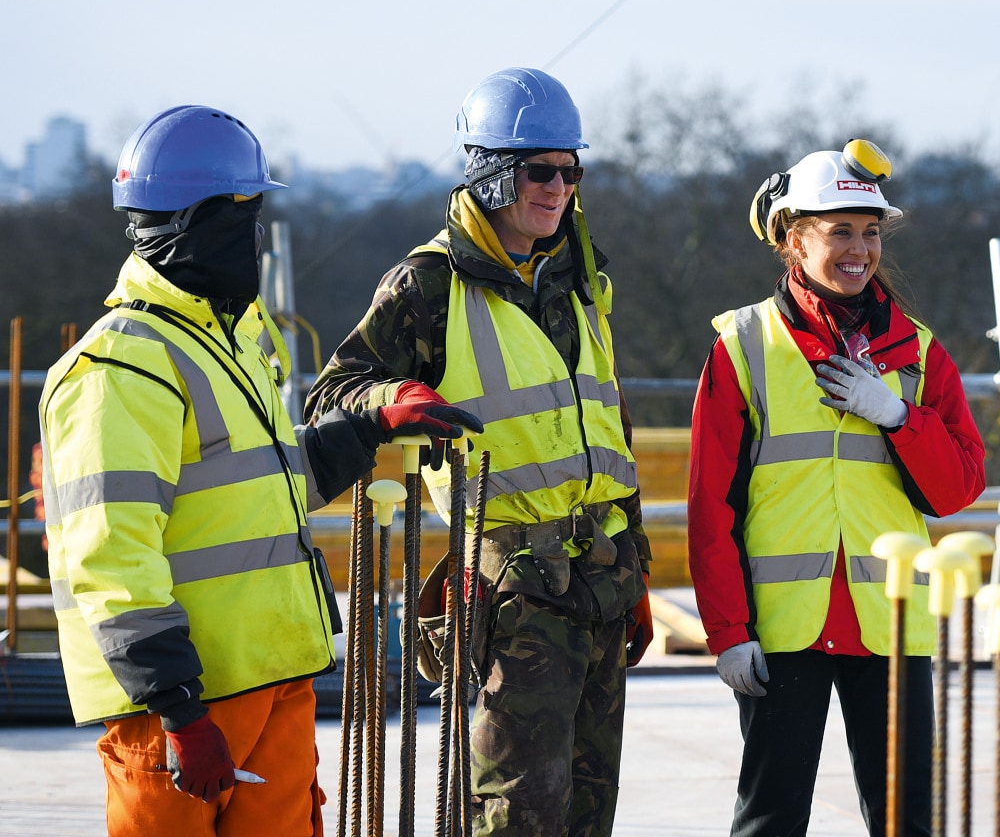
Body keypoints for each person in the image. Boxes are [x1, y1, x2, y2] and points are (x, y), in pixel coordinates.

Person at [40, 105, 479, 836]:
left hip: (272, 678)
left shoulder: (233, 339)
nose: (251, 237)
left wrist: (368, 424)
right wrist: (179, 709)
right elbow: (111, 558)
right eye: (238, 217)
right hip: (183, 707)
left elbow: (268, 486)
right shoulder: (118, 368)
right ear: (184, 224)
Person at [306, 68, 652, 837]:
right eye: (541, 170)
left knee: (590, 815)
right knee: (515, 816)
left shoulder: (577, 280)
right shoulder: (431, 285)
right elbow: (333, 397)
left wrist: (640, 564)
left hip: (602, 582)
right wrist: (388, 403)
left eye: (571, 170)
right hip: (517, 597)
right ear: (493, 171)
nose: (559, 187)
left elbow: (607, 424)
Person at [688, 139, 986, 837]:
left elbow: (960, 486)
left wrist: (899, 416)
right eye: (840, 231)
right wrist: (727, 633)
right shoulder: (743, 346)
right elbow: (711, 507)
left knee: (907, 820)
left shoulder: (917, 351)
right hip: (783, 629)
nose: (861, 249)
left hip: (890, 622)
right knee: (770, 819)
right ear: (795, 240)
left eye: (872, 232)